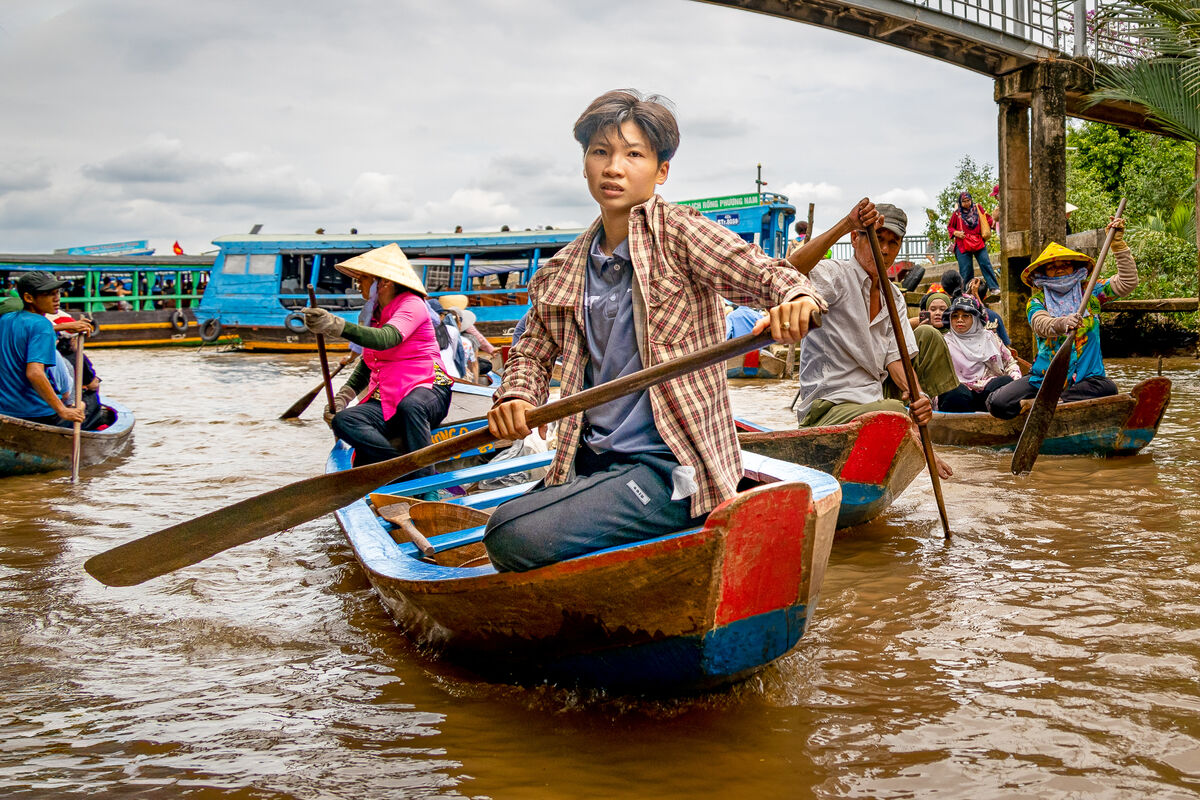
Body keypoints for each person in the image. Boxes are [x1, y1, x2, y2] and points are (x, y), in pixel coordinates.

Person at [482, 89, 824, 573]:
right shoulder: (562, 269)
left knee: (509, 535)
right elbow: (531, 352)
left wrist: (797, 298)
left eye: (633, 154)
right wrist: (516, 397)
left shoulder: (680, 233)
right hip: (592, 459)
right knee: (504, 521)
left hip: (671, 466)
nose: (613, 168)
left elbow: (762, 272)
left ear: (661, 171)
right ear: (584, 165)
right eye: (600, 152)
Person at [792, 203, 957, 477]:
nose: (884, 250)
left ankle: (920, 421)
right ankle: (903, 424)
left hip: (872, 398)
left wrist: (919, 401)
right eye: (877, 238)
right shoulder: (836, 276)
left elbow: (896, 359)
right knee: (893, 412)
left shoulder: (894, 297)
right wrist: (847, 223)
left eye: (893, 243)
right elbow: (792, 268)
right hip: (829, 406)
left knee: (929, 336)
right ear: (855, 239)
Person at [300, 244, 453, 482]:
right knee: (344, 420)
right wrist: (343, 397)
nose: (358, 285)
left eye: (362, 280)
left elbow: (386, 339)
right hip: (389, 395)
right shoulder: (373, 314)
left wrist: (336, 326)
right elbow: (369, 361)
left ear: (383, 282)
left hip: (429, 387)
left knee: (411, 407)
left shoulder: (411, 304)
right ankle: (397, 469)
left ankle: (428, 484)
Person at [986, 217, 1135, 419]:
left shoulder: (1090, 291)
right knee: (998, 404)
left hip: (1087, 379)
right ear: (1043, 272)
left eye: (1066, 265)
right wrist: (1062, 323)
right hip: (1044, 378)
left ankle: (1055, 403)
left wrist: (1118, 245)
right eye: (1053, 267)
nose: (1060, 269)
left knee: (1107, 388)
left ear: (1074, 268)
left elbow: (1127, 282)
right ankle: (1049, 402)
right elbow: (1040, 323)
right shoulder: (1038, 301)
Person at [0, 272, 90, 428]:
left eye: (57, 293)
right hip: (38, 414)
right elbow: (34, 373)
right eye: (48, 294)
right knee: (87, 403)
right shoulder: (42, 325)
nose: (57, 299)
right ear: (28, 298)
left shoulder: (6, 320)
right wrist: (62, 410)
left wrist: (63, 326)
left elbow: (27, 331)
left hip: (5, 411)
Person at [936, 295, 1021, 413]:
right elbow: (935, 375)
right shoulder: (943, 342)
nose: (959, 320)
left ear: (975, 319)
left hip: (988, 391)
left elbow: (1010, 364)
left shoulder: (991, 338)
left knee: (1005, 382)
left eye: (965, 316)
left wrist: (1016, 382)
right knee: (954, 392)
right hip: (960, 395)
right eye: (955, 316)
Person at [948, 191, 999, 296]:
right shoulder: (957, 213)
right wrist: (956, 232)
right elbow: (950, 227)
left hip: (978, 241)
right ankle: (966, 291)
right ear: (960, 202)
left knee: (985, 263)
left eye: (968, 200)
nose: (967, 203)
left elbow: (986, 218)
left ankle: (993, 287)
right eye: (964, 201)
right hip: (963, 244)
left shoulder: (977, 208)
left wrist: (994, 225)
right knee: (966, 269)